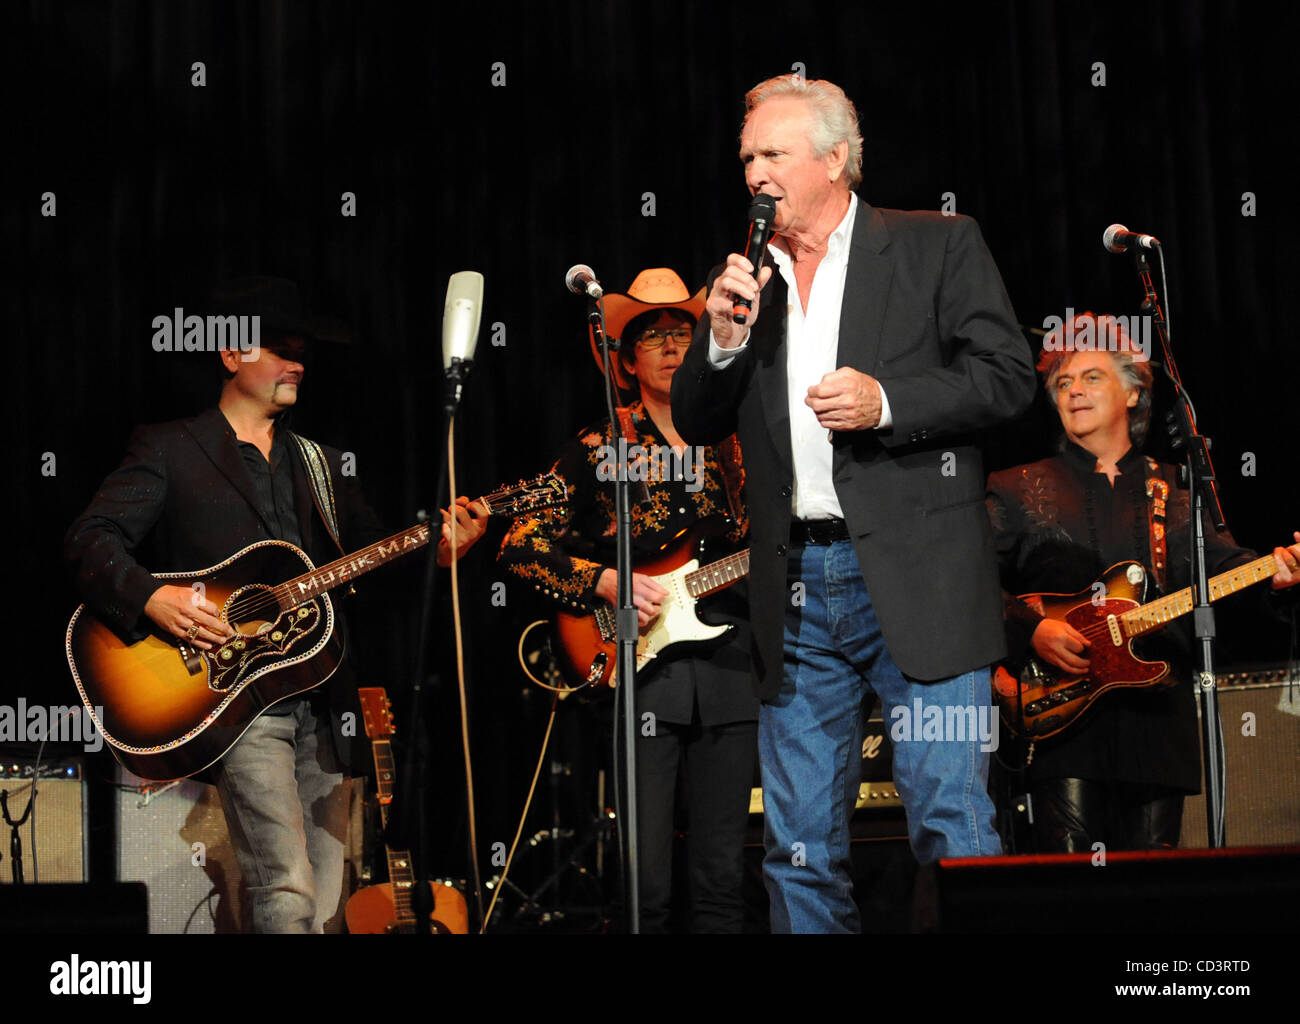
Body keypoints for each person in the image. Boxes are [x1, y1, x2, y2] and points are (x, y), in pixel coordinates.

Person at [671, 75, 1037, 933]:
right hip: (795, 584)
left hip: (922, 580)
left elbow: (1008, 378)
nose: (756, 173)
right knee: (796, 846)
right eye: (747, 157)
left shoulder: (934, 245)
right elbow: (694, 416)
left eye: (774, 154)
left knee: (952, 821)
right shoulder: (744, 280)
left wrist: (890, 402)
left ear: (836, 160)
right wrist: (722, 342)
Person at [65, 276, 487, 932]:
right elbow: (90, 539)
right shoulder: (171, 447)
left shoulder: (324, 463)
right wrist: (151, 596)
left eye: (302, 352)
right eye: (280, 348)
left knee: (318, 905)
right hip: (235, 699)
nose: (297, 363)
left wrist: (440, 552)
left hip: (325, 702)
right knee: (285, 888)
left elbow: (375, 570)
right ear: (230, 355)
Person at [498, 268, 758, 933]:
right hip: (639, 668)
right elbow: (519, 545)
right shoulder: (598, 447)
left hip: (733, 669)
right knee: (643, 883)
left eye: (683, 333)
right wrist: (602, 581)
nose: (672, 347)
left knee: (724, 876)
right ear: (627, 360)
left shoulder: (736, 442)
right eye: (654, 337)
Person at [985, 311, 1300, 851]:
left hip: (1157, 719)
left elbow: (1220, 567)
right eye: (1063, 383)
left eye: (1091, 377)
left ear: (1132, 394)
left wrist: (1277, 571)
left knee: (1152, 892)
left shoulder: (1176, 485)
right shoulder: (1017, 486)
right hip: (1061, 720)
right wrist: (1030, 630)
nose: (1074, 392)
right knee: (1072, 889)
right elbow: (968, 585)